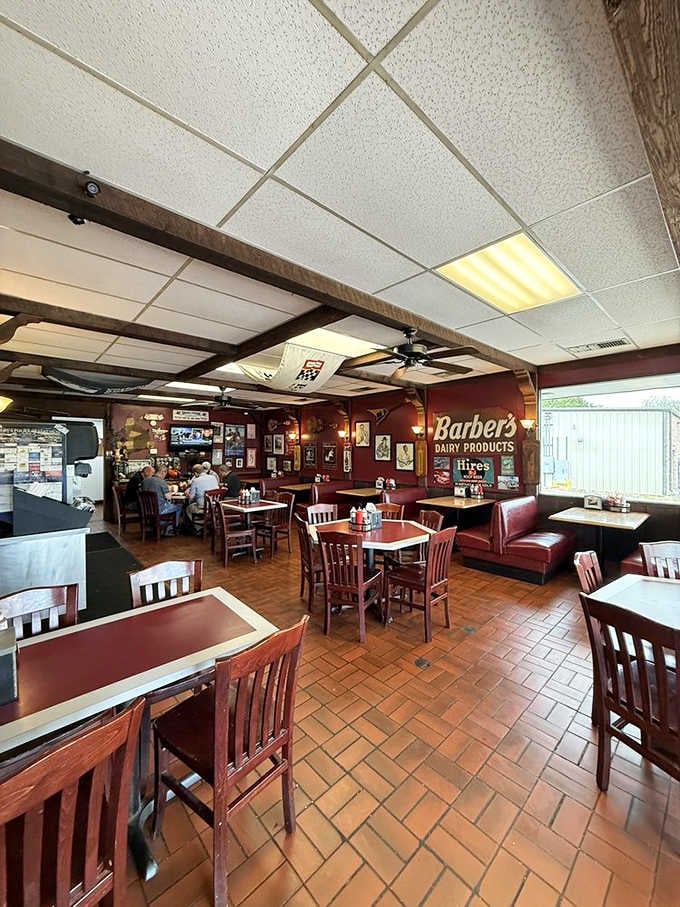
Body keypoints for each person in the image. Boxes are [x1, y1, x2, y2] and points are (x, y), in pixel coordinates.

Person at [142, 465, 183, 531]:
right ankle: (170, 529)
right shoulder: (161, 482)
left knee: (170, 505)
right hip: (159, 509)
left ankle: (159, 524)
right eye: (165, 474)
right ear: (163, 472)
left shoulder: (145, 481)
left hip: (146, 509)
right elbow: (168, 497)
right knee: (178, 506)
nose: (165, 476)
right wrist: (172, 492)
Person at [186, 463, 219, 528]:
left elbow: (191, 498)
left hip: (202, 507)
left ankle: (199, 528)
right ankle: (208, 525)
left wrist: (187, 494)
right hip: (214, 506)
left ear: (195, 473)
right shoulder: (213, 477)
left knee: (188, 508)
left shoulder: (195, 481)